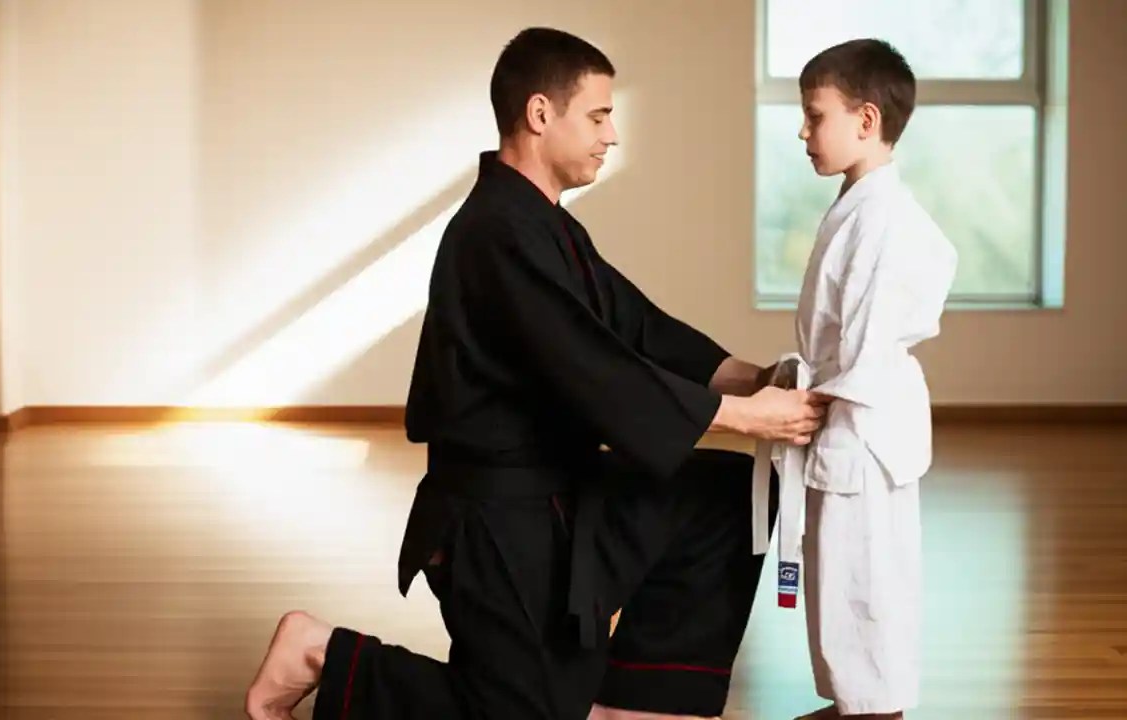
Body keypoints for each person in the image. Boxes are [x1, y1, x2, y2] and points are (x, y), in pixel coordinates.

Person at [244, 26, 829, 720]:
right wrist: (745, 417)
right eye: (599, 114)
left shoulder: (545, 225)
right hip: (493, 519)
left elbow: (633, 324)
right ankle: (319, 654)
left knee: (724, 499)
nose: (611, 134)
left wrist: (749, 377)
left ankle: (639, 703)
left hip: (564, 494)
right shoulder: (492, 233)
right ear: (541, 114)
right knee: (526, 714)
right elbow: (589, 365)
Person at [766, 39, 958, 720]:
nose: (803, 131)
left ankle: (875, 711)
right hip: (847, 416)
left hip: (862, 424)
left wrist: (798, 401)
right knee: (840, 578)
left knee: (865, 583)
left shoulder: (885, 220)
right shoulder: (861, 201)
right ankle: (857, 705)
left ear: (866, 119)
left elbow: (869, 345)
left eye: (815, 116)